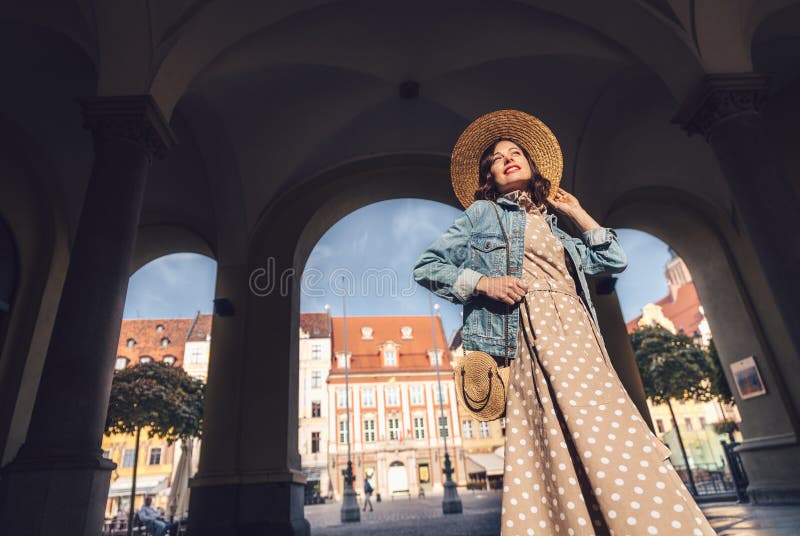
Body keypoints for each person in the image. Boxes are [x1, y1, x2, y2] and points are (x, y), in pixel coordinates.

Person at [413, 110, 716, 535]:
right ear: (489, 177)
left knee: (611, 432)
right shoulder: (483, 216)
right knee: (554, 441)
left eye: (516, 153)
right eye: (497, 159)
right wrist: (485, 283)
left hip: (580, 336)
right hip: (531, 336)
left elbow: (614, 259)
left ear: (533, 166)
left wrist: (578, 212)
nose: (508, 159)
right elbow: (427, 266)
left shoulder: (558, 229)